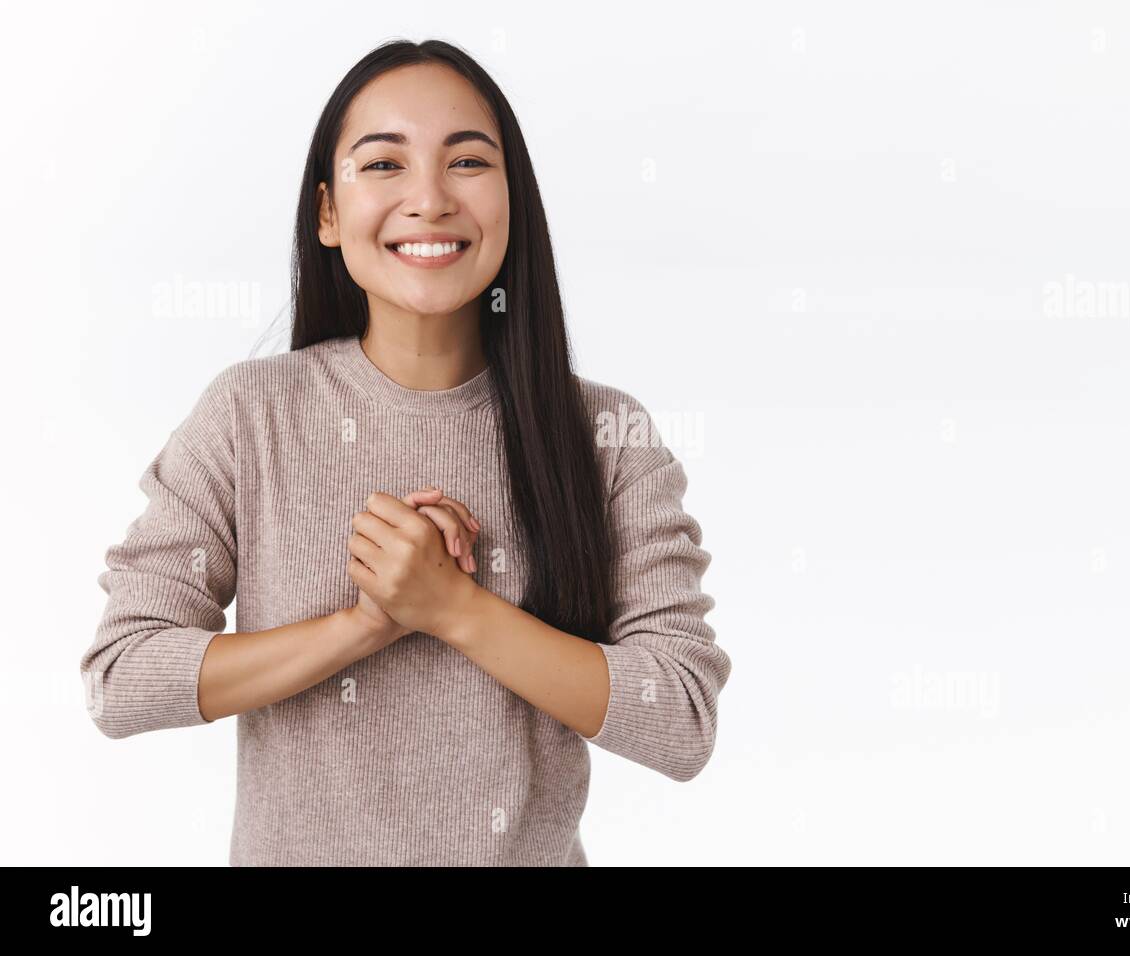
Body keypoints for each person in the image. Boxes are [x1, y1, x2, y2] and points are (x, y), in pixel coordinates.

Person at [80, 38, 731, 866]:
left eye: (467, 161)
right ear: (327, 212)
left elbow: (680, 719)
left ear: (512, 200)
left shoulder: (605, 438)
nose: (428, 199)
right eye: (383, 164)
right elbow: (123, 677)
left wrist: (455, 610)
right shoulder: (250, 416)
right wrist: (364, 625)